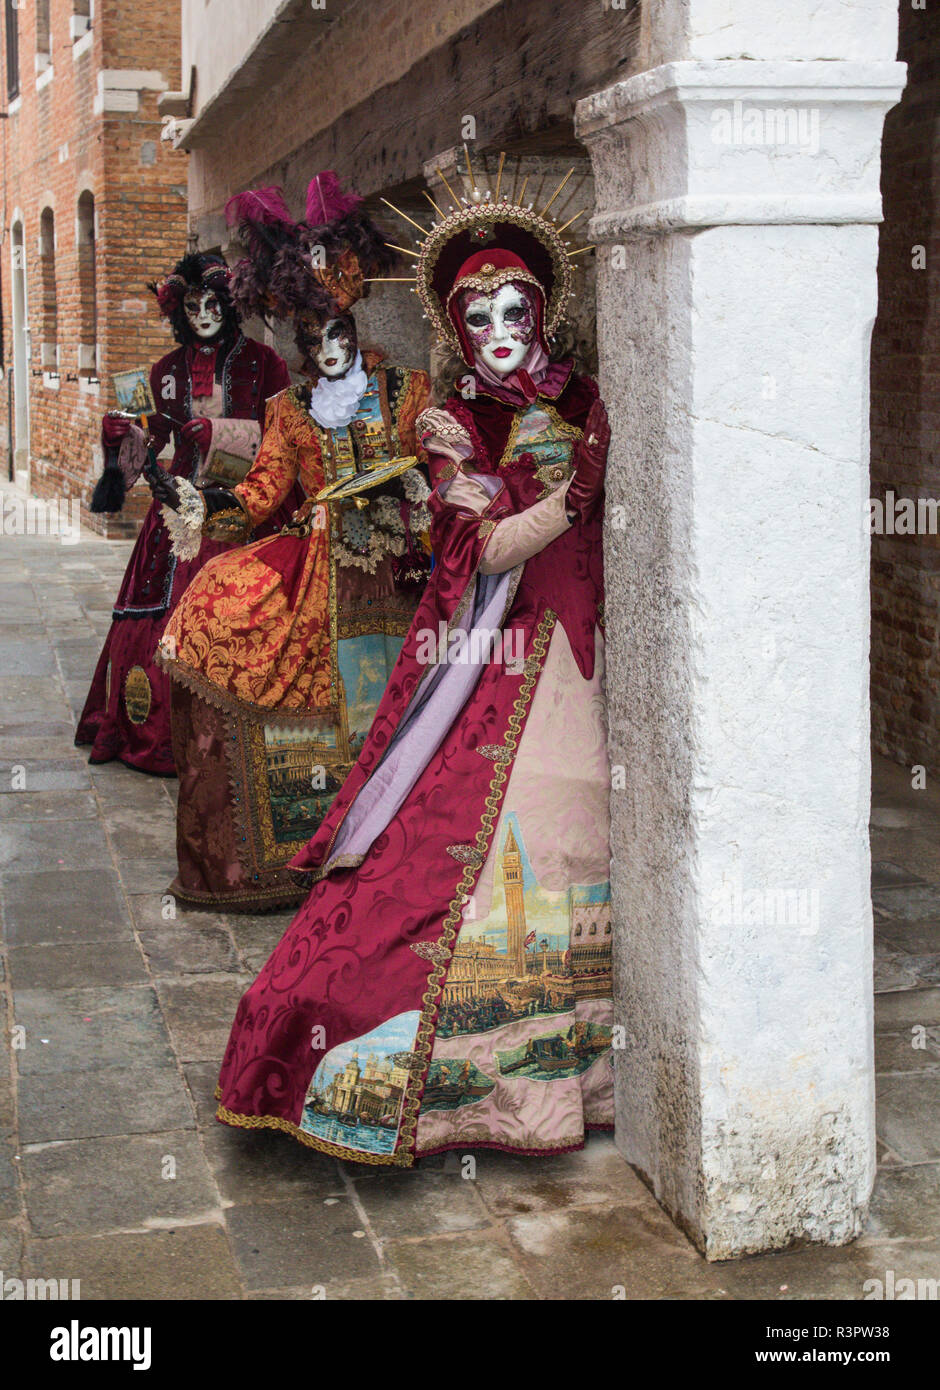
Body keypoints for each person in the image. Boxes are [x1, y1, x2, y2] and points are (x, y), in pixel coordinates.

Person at [215, 161, 614, 1164]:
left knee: (571, 856)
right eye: (473, 314)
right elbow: (477, 549)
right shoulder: (447, 425)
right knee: (483, 863)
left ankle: (574, 1081)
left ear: (545, 304)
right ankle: (480, 1093)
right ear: (452, 323)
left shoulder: (588, 400)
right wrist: (567, 499)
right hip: (497, 665)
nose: (496, 328)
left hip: (585, 660)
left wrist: (583, 471)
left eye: (513, 305)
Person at [150, 176, 432, 910]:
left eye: (334, 334)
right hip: (317, 569)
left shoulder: (411, 393)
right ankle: (284, 860)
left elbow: (444, 472)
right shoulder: (290, 410)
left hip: (404, 571)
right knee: (212, 611)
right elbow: (263, 492)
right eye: (310, 339)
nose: (324, 349)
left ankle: (393, 853)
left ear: (353, 324)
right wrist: (207, 504)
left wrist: (425, 491)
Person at [75, 250, 300, 774]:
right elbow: (152, 442)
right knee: (160, 605)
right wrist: (120, 438)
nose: (203, 314)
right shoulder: (164, 370)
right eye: (192, 305)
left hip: (247, 505)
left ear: (228, 303)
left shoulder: (266, 363)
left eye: (212, 302)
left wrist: (224, 435)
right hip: (176, 508)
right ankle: (157, 732)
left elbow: (286, 436)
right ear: (179, 312)